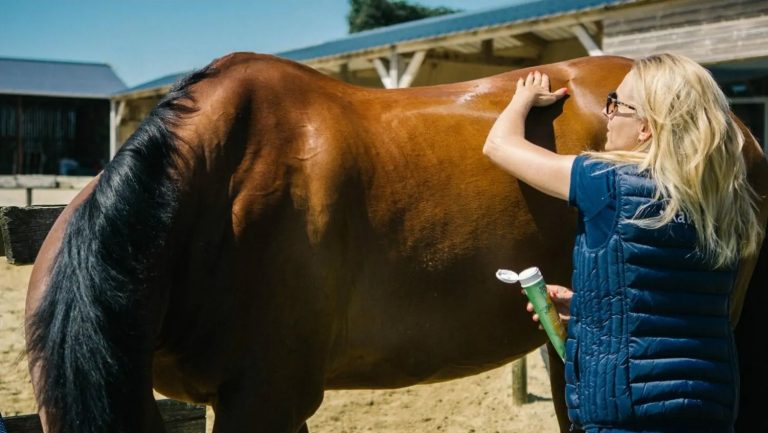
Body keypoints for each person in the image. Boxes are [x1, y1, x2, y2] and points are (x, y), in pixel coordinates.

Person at [483, 53, 763, 433]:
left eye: (617, 104)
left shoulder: (606, 183)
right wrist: (586, 307)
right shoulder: (727, 202)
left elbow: (499, 146)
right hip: (709, 404)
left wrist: (522, 99)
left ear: (646, 127)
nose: (607, 113)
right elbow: (673, 302)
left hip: (627, 413)